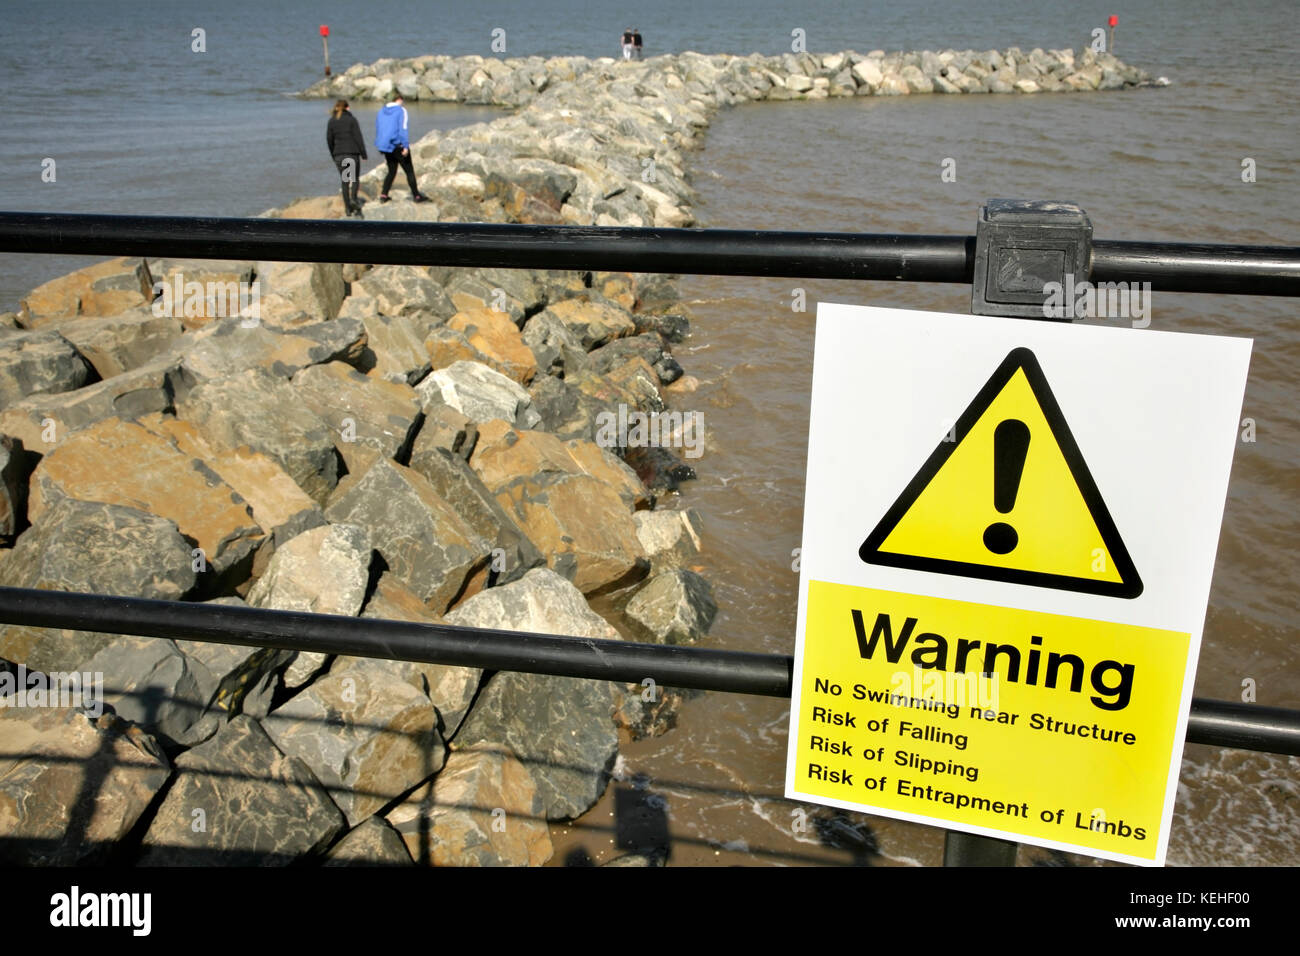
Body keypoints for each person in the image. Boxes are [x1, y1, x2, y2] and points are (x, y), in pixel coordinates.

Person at [374, 91, 429, 203]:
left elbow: (379, 128)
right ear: (398, 99)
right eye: (402, 99)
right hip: (398, 145)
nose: (403, 102)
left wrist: (381, 145)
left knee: (391, 170)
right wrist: (405, 146)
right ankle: (416, 196)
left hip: (385, 146)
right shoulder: (401, 111)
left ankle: (384, 195)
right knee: (409, 171)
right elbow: (403, 129)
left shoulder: (381, 111)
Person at [326, 99, 367, 217]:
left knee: (345, 181)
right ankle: (353, 200)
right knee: (353, 179)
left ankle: (347, 208)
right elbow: (358, 137)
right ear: (347, 108)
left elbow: (329, 140)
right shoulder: (351, 120)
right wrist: (363, 154)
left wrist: (333, 154)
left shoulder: (332, 121)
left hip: (339, 154)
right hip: (351, 153)